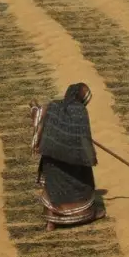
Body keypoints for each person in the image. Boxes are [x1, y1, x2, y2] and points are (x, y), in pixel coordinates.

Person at [29, 82, 106, 231]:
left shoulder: (54, 106)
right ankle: (88, 214)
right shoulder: (80, 111)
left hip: (52, 159)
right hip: (72, 160)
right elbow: (83, 141)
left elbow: (41, 115)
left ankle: (51, 223)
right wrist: (89, 156)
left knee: (52, 189)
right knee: (84, 182)